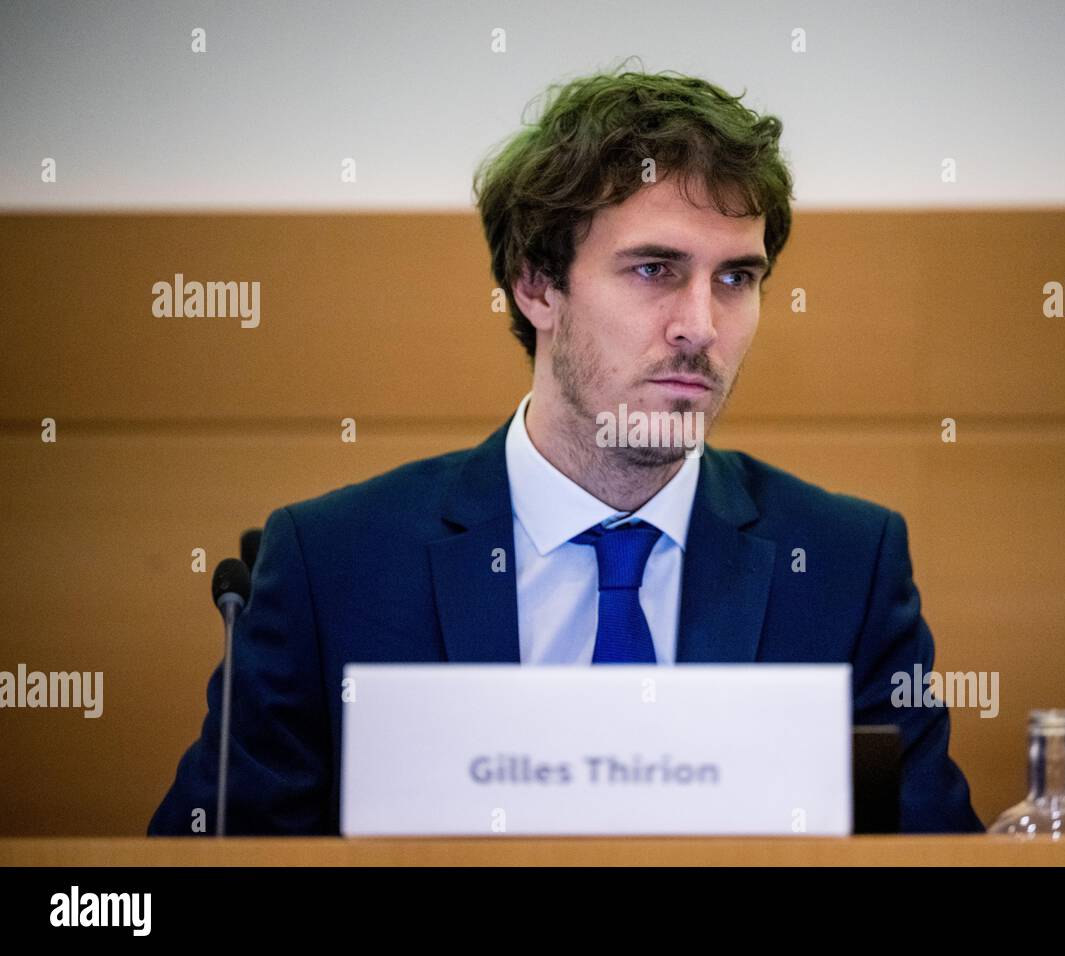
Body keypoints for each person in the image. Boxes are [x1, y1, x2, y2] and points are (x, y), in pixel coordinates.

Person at [149, 63, 982, 835]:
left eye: (738, 277)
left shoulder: (844, 565)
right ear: (536, 286)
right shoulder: (335, 566)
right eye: (655, 269)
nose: (701, 324)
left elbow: (933, 859)